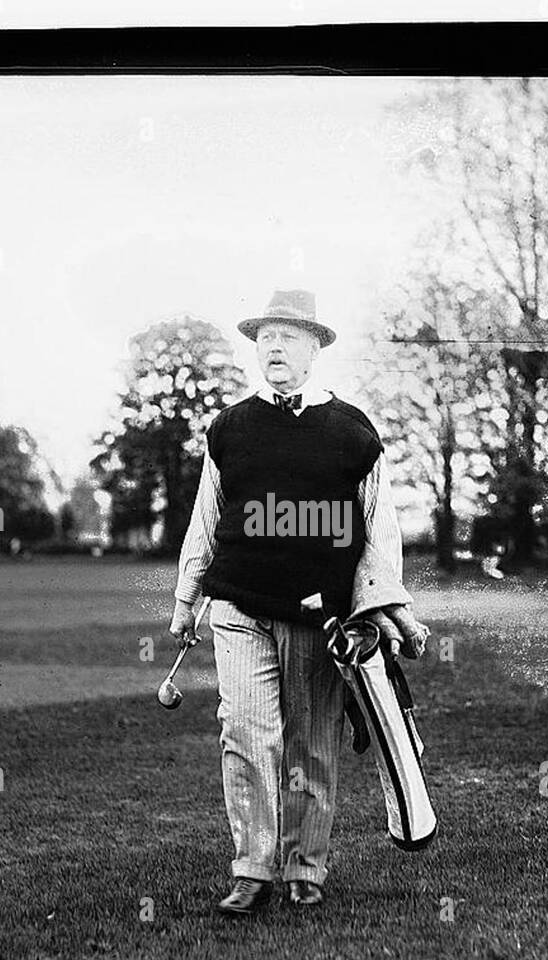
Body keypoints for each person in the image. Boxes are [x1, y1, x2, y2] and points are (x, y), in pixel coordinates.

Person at [170, 289, 428, 915]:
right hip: (238, 607)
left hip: (322, 615)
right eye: (265, 338)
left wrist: (380, 609)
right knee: (246, 734)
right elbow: (207, 519)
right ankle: (252, 868)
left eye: (288, 337)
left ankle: (305, 866)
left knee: (313, 742)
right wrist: (186, 599)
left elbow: (379, 530)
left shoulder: (352, 432)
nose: (275, 347)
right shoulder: (229, 429)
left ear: (315, 350)